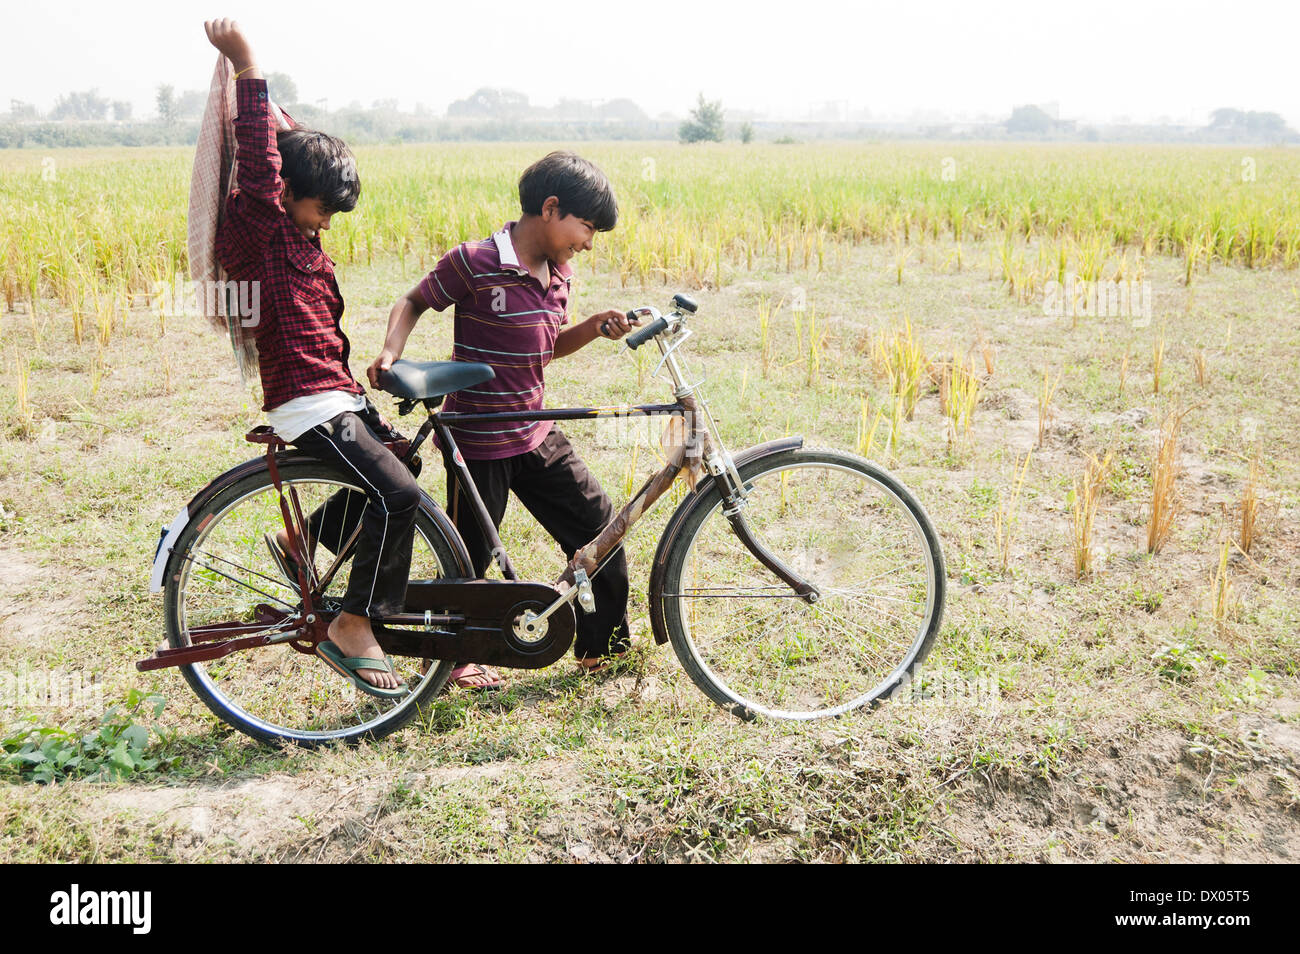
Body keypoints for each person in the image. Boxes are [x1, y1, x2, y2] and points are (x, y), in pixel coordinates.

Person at [205, 18, 414, 697]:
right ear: (286, 194)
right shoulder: (260, 225)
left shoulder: (301, 241)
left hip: (333, 393)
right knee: (398, 494)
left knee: (403, 460)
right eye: (321, 209)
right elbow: (263, 161)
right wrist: (246, 63)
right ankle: (354, 623)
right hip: (306, 401)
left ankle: (307, 546)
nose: (325, 224)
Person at [369, 151, 636, 675]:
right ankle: (455, 661)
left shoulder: (560, 272)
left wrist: (593, 327)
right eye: (586, 227)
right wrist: (390, 351)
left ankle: (598, 651)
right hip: (478, 438)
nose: (587, 242)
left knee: (600, 526)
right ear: (551, 207)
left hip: (536, 431)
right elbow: (414, 300)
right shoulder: (475, 261)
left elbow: (548, 345)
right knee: (469, 559)